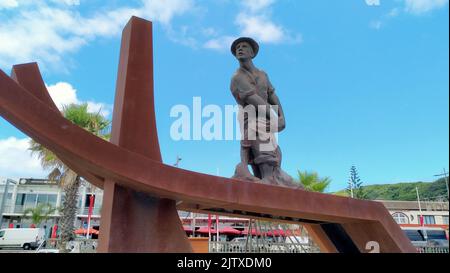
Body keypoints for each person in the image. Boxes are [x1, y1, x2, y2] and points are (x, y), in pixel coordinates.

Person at [229, 37, 302, 189]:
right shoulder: (237, 77)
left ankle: (272, 176)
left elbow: (272, 95)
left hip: (266, 116)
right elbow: (254, 99)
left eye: (244, 46)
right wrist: (276, 119)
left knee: (272, 146)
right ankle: (267, 178)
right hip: (250, 116)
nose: (240, 49)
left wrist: (282, 117)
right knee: (260, 143)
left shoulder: (263, 74)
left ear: (252, 52)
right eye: (237, 48)